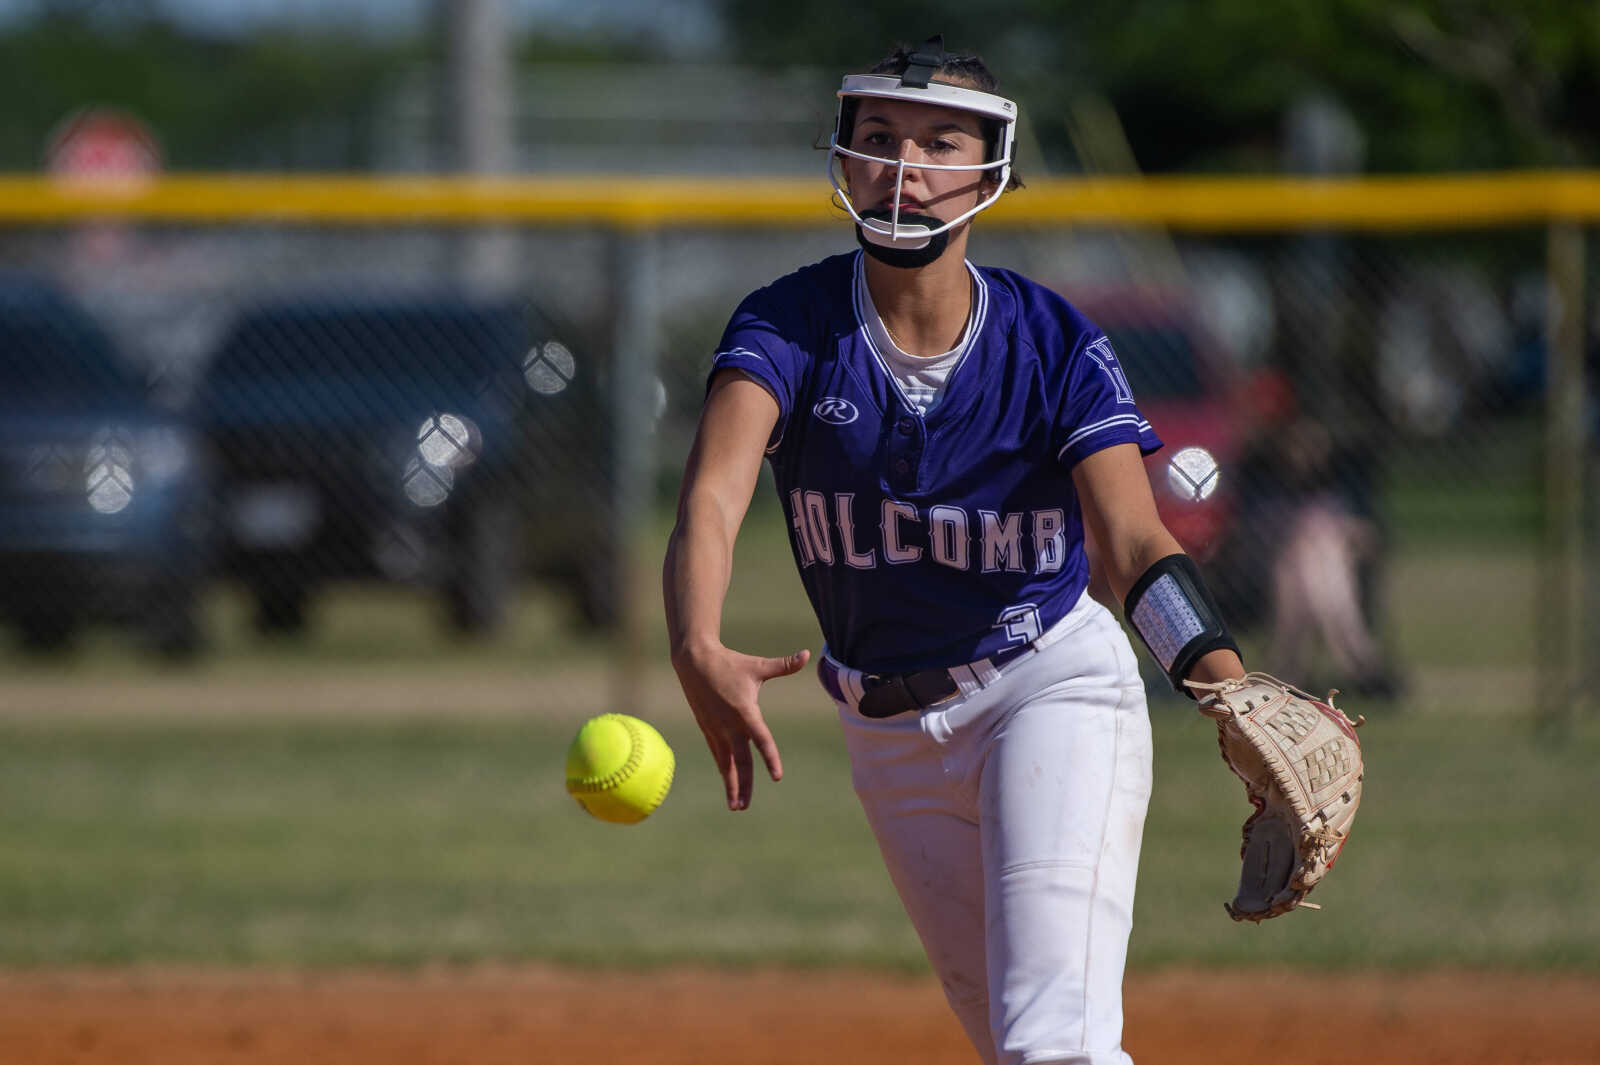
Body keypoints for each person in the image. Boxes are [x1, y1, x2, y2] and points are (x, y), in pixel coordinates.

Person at [663, 36, 1245, 1065]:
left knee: (1052, 1045)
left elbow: (1131, 541)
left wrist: (1229, 691)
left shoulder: (1053, 340)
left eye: (941, 144)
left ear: (991, 176)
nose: (905, 166)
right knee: (1010, 1042)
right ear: (841, 161)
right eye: (879, 139)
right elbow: (713, 495)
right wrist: (693, 644)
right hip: (885, 731)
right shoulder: (788, 326)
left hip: (1048, 686)